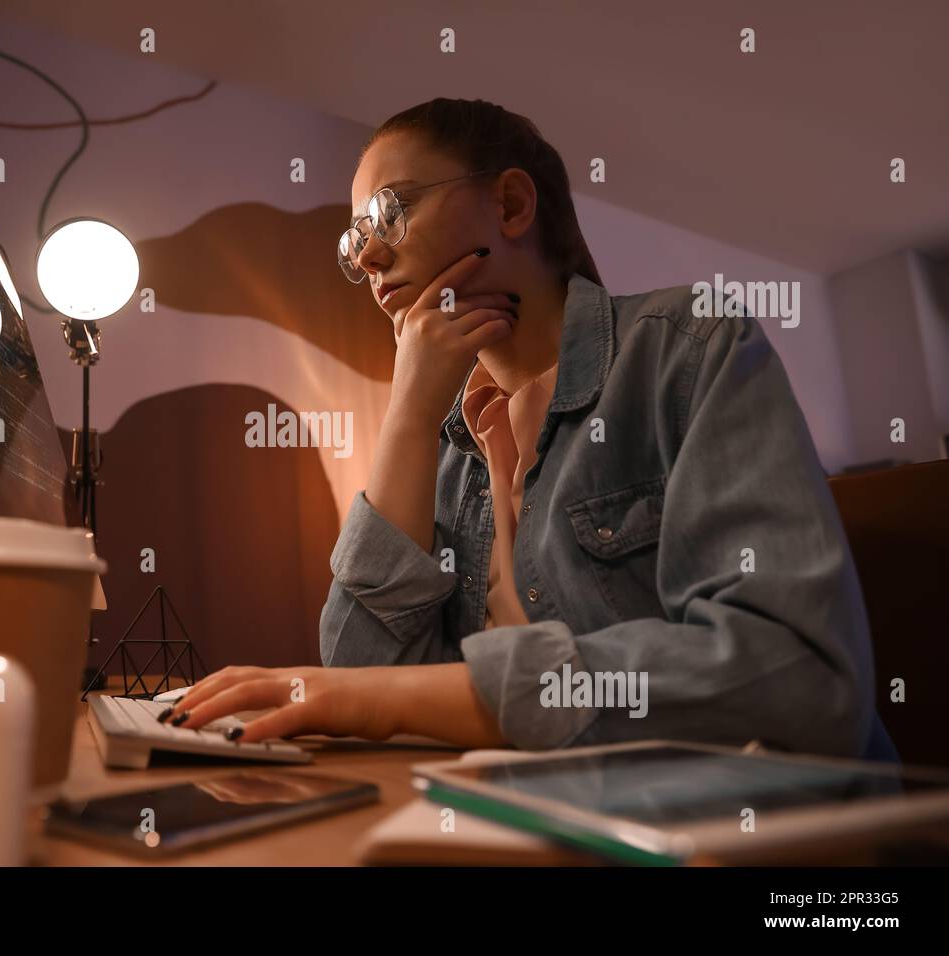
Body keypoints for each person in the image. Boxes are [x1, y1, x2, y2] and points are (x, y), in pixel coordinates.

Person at [159, 97, 895, 762]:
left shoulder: (691, 347)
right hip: (546, 817)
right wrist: (410, 420)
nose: (372, 257)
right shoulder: (447, 439)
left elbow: (799, 678)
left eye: (387, 213)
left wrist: (365, 700)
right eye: (355, 245)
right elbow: (364, 674)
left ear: (510, 204)